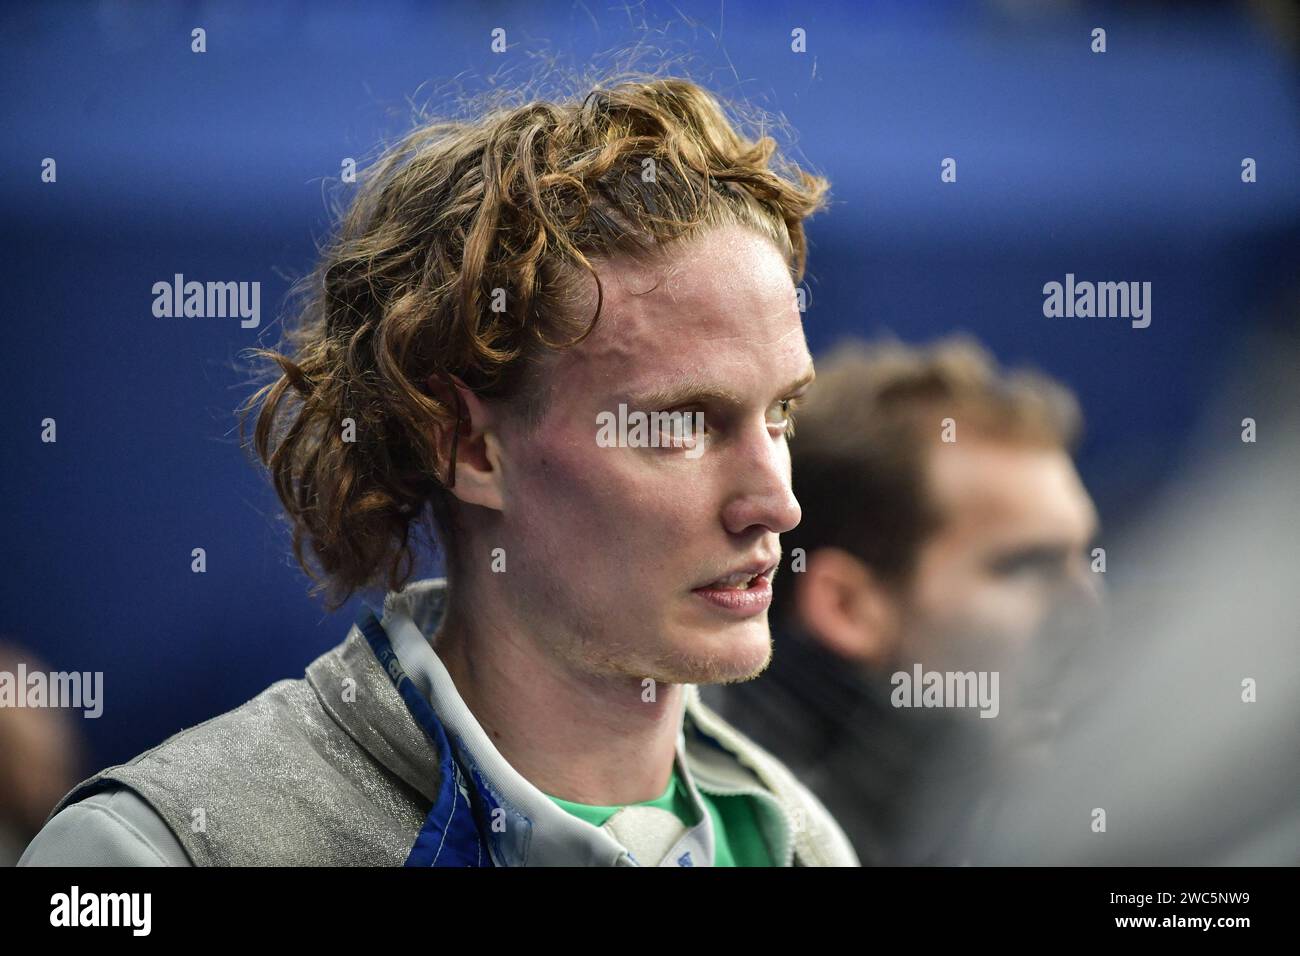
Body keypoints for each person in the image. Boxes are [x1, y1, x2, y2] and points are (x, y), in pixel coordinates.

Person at [20, 75, 858, 867]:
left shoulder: (803, 842)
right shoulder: (161, 852)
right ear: (467, 445)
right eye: (681, 424)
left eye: (781, 412)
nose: (777, 504)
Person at [702, 336, 1100, 865]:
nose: (1089, 608)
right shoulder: (745, 839)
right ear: (846, 606)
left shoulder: (971, 816)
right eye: (1025, 566)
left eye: (1083, 559)